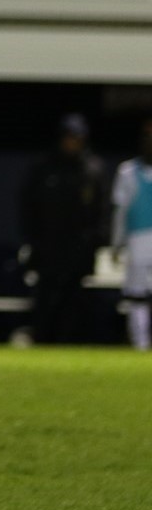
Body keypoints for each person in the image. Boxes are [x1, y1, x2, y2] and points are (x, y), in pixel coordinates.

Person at [19, 113, 106, 344]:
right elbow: (29, 208)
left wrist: (93, 244)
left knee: (73, 302)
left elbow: (100, 212)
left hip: (78, 252)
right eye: (69, 137)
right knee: (46, 299)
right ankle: (42, 342)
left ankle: (68, 344)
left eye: (77, 137)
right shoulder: (44, 168)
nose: (72, 142)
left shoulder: (92, 170)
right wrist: (34, 241)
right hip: (48, 249)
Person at [110, 118, 152, 351]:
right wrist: (117, 245)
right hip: (137, 242)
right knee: (137, 296)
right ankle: (141, 344)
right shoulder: (127, 172)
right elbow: (121, 213)